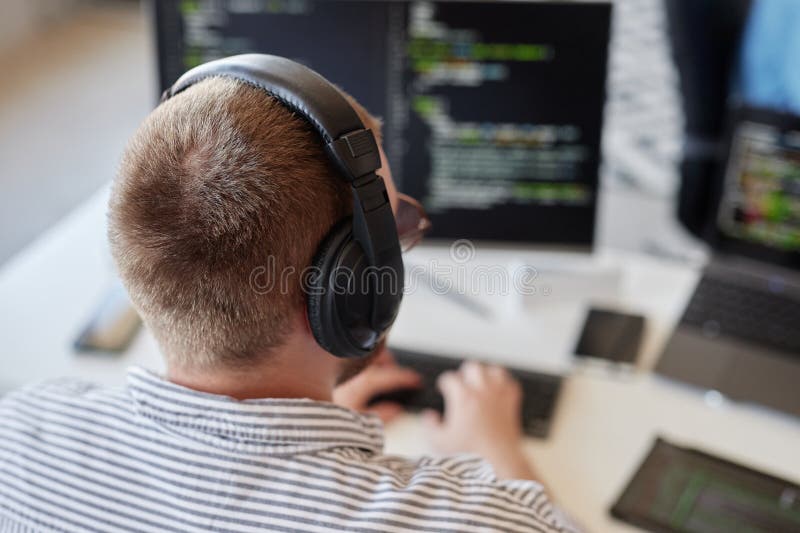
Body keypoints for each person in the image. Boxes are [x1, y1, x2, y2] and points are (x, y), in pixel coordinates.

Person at [0, 57, 577, 532]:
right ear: (350, 293)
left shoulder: (17, 437)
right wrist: (499, 453)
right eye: (396, 229)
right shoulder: (489, 517)